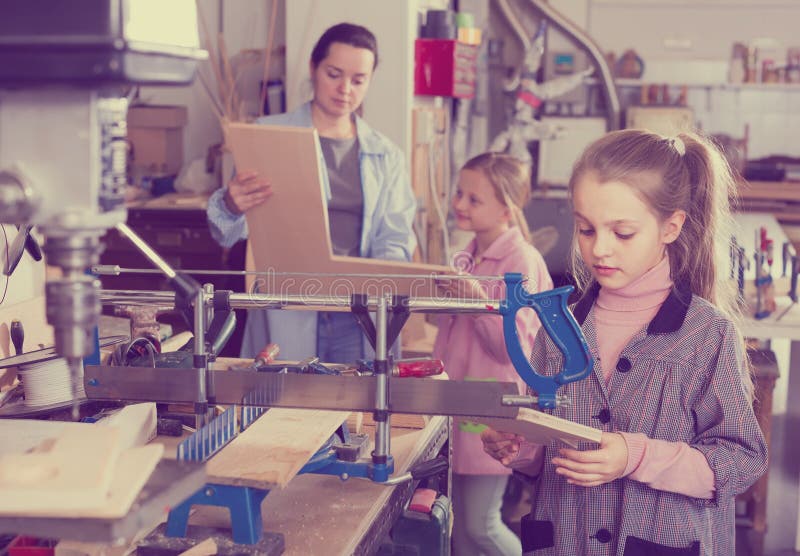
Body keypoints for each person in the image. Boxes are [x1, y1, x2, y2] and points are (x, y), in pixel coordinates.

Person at [480, 129, 768, 555]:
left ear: (671, 227)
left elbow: (741, 462)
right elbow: (546, 454)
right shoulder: (557, 330)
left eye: (623, 233)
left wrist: (635, 457)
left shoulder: (708, 335)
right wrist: (520, 447)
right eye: (586, 229)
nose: (600, 249)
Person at [206, 22, 416, 362]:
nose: (345, 89)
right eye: (334, 74)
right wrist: (231, 206)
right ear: (313, 68)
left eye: (358, 80)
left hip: (358, 314)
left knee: (358, 394)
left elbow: (395, 239)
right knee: (284, 393)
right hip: (287, 307)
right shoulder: (268, 136)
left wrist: (378, 283)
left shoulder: (387, 155)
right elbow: (228, 234)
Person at [433, 152, 553, 556]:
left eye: (474, 199)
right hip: (460, 404)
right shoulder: (468, 256)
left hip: (490, 410)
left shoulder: (522, 261)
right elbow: (453, 335)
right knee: (460, 531)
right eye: (459, 194)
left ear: (506, 208)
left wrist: (476, 300)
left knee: (480, 526)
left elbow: (513, 349)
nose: (459, 205)